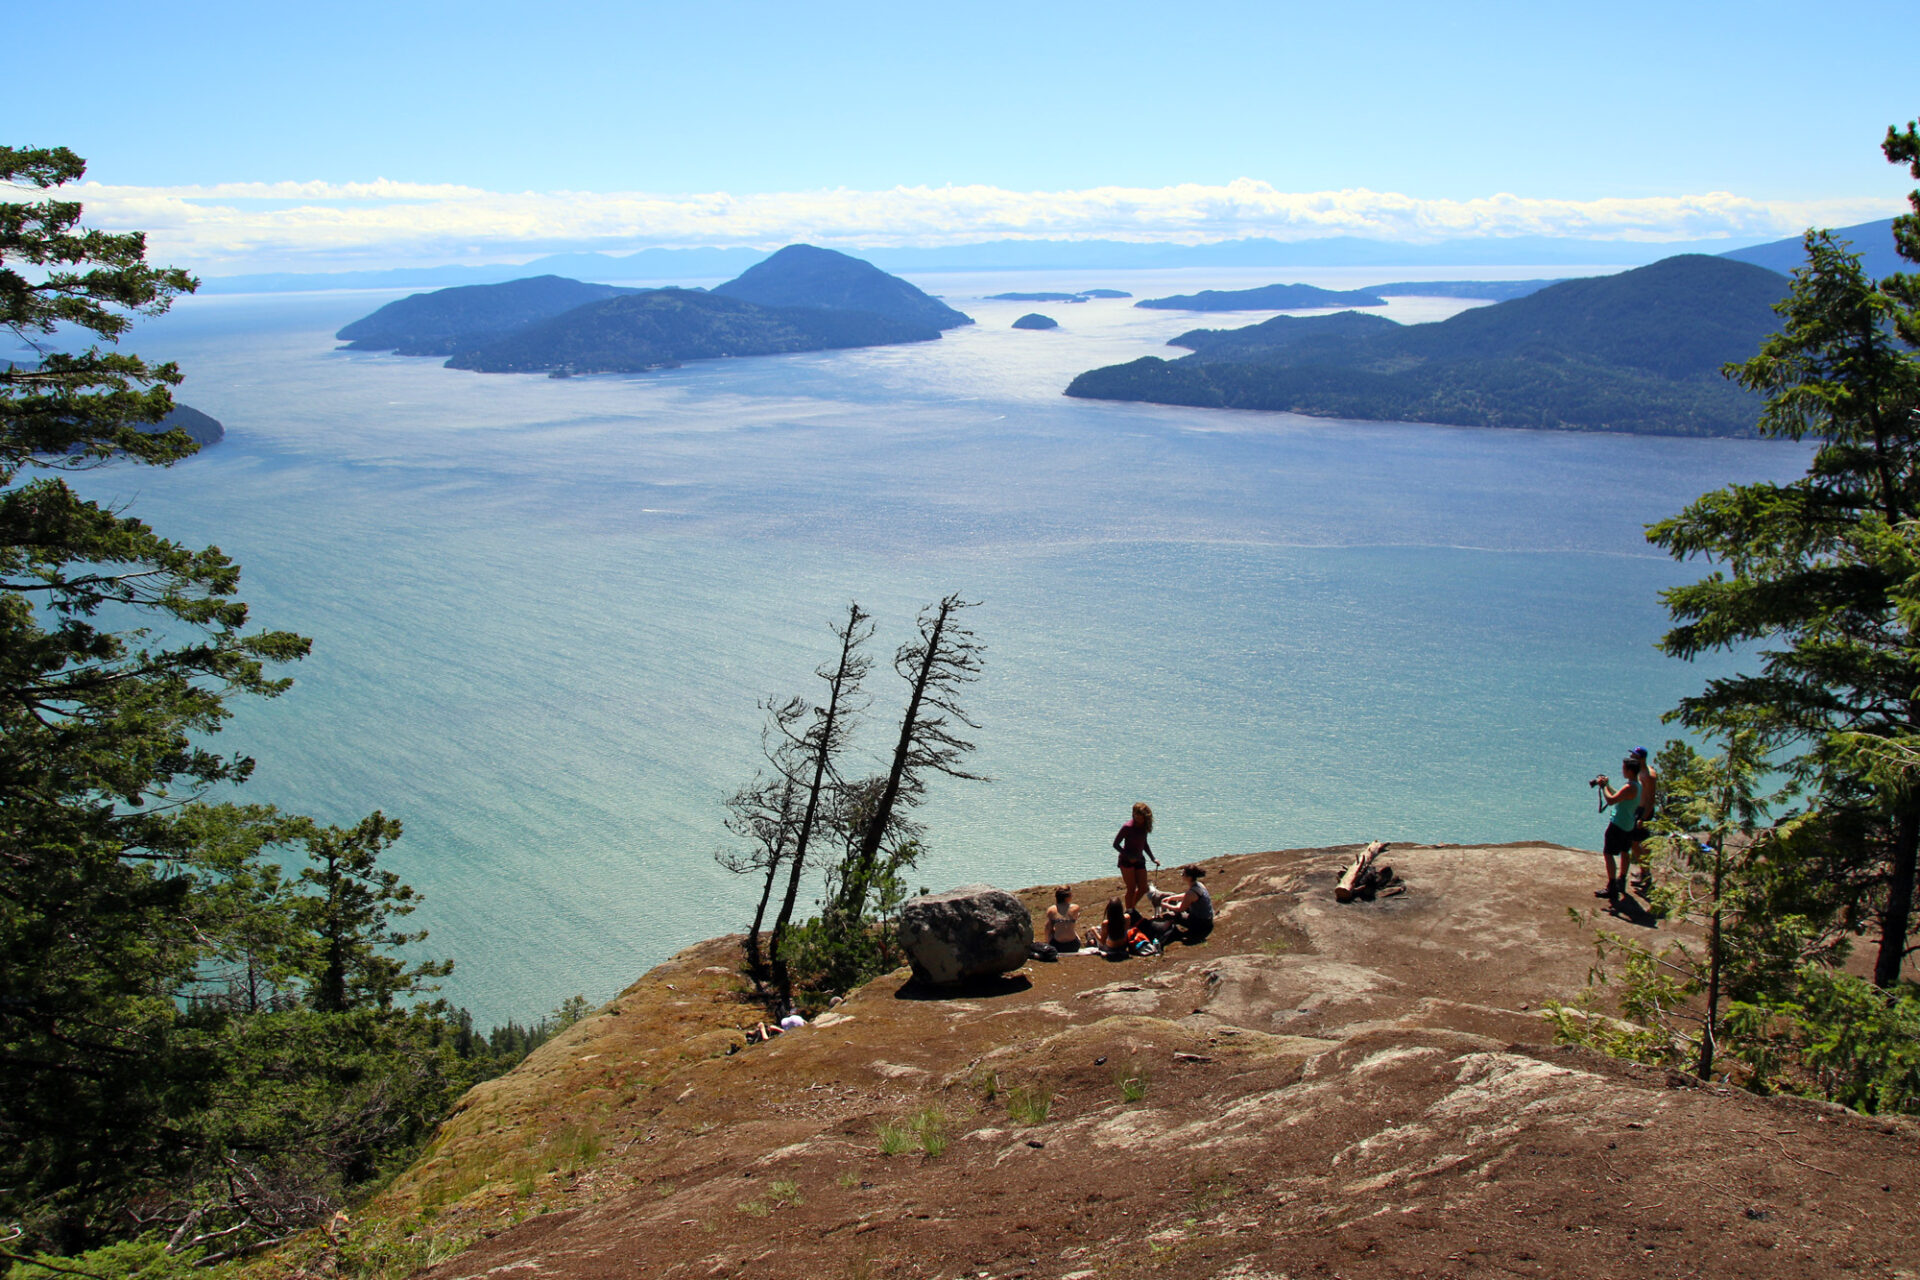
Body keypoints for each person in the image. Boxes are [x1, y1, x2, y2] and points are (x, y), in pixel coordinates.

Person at [1594, 756, 1642, 903]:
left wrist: (1603, 788)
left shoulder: (1629, 787)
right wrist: (1608, 785)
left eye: (1623, 768)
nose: (1622, 770)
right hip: (1628, 825)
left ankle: (1612, 886)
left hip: (1618, 825)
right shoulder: (1637, 786)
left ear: (1629, 770)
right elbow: (1619, 796)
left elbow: (1611, 800)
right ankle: (1622, 879)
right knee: (1624, 852)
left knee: (1608, 853)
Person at [1112, 801, 1159, 916]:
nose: (1137, 817)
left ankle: (1130, 909)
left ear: (1146, 816)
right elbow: (1116, 844)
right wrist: (1128, 856)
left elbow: (1144, 843)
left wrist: (1153, 858)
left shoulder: (1144, 826)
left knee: (1143, 888)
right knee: (1131, 888)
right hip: (1126, 861)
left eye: (1140, 815)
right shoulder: (1127, 827)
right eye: (1135, 814)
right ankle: (1129, 913)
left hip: (1139, 859)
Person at [1155, 864, 1214, 943]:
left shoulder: (1192, 893)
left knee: (1172, 915)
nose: (1181, 875)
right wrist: (1172, 898)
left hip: (1201, 924)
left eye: (1183, 874)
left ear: (1189, 877)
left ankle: (1163, 930)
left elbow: (1180, 909)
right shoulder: (1199, 885)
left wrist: (1166, 905)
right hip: (1207, 920)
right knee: (1180, 903)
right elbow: (1186, 896)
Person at [1628, 746, 1658, 895]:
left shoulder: (1649, 775)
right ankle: (1644, 872)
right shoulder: (1642, 771)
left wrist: (1644, 818)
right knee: (1639, 844)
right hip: (1638, 810)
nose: (1632, 758)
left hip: (1644, 812)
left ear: (1641, 758)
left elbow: (1651, 799)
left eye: (1635, 756)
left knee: (1636, 844)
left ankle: (1646, 874)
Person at [1045, 885, 1082, 952]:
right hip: (1073, 945)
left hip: (1057, 945)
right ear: (1067, 897)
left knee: (1049, 924)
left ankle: (1048, 945)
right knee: (1070, 925)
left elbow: (1049, 928)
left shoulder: (1051, 910)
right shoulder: (1075, 907)